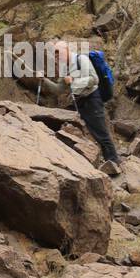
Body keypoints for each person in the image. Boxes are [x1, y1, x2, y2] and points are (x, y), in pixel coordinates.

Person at [45, 40, 121, 176]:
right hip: (80, 102)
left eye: (58, 52)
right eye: (54, 54)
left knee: (101, 132)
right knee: (93, 132)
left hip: (92, 98)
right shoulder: (64, 68)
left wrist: (73, 81)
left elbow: (94, 79)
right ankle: (107, 161)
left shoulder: (82, 59)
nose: (56, 56)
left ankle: (114, 163)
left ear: (67, 49)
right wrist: (42, 80)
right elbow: (58, 89)